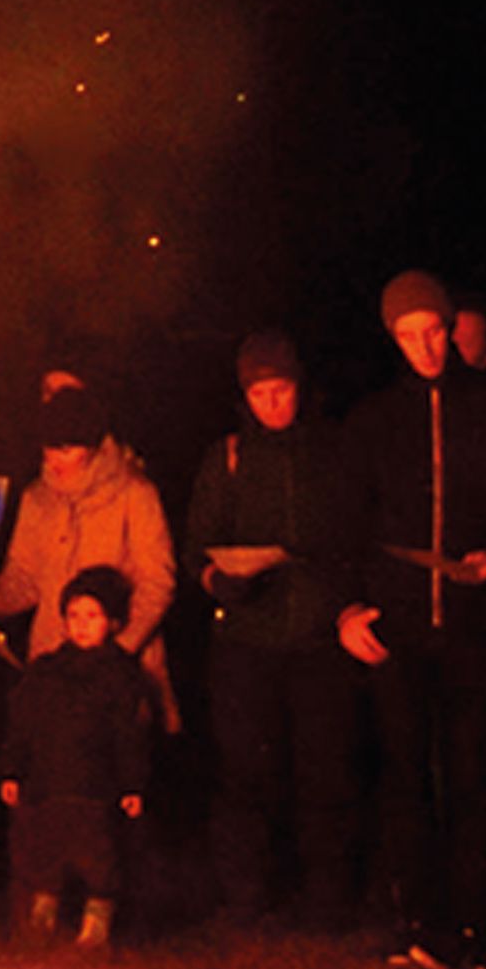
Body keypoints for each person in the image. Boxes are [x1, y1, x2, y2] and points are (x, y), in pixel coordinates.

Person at [336, 270, 486, 969]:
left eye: (433, 332)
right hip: (401, 624)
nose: (424, 348)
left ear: (453, 327)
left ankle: (474, 925)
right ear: (394, 340)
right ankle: (420, 923)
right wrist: (348, 609)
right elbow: (346, 525)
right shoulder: (374, 420)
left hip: (472, 624)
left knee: (474, 773)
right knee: (405, 774)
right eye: (408, 337)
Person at [183, 332, 362, 928]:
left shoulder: (332, 452)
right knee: (245, 775)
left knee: (324, 774)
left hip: (316, 638)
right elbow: (196, 547)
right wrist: (219, 581)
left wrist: (336, 596)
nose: (272, 404)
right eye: (259, 393)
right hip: (246, 641)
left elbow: (354, 539)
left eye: (280, 390)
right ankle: (245, 901)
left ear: (299, 388)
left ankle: (327, 903)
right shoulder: (228, 456)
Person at [0, 384, 180, 735]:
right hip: (53, 673)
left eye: (66, 449)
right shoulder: (37, 499)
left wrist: (116, 651)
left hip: (121, 677)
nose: (54, 459)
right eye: (49, 448)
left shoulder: (134, 495)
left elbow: (157, 582)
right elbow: (23, 580)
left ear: (92, 446)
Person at [1, 566, 157, 949]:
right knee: (46, 853)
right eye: (74, 616)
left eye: (93, 616)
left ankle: (96, 925)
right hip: (49, 783)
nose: (82, 625)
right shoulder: (46, 673)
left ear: (113, 622)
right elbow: (22, 725)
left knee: (98, 857)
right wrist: (12, 771)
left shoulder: (120, 676)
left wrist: (132, 785)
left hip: (95, 788)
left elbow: (128, 736)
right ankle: (41, 922)